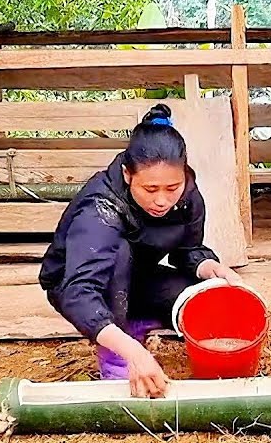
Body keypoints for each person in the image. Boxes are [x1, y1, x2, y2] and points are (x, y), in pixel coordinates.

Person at [39, 104, 243, 398]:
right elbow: (79, 291)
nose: (162, 200)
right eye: (150, 190)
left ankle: (132, 322)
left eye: (172, 187)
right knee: (118, 254)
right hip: (78, 285)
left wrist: (214, 269)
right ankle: (116, 354)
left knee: (202, 295)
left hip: (137, 277)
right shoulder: (100, 208)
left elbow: (187, 251)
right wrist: (134, 354)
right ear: (127, 174)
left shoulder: (187, 196)